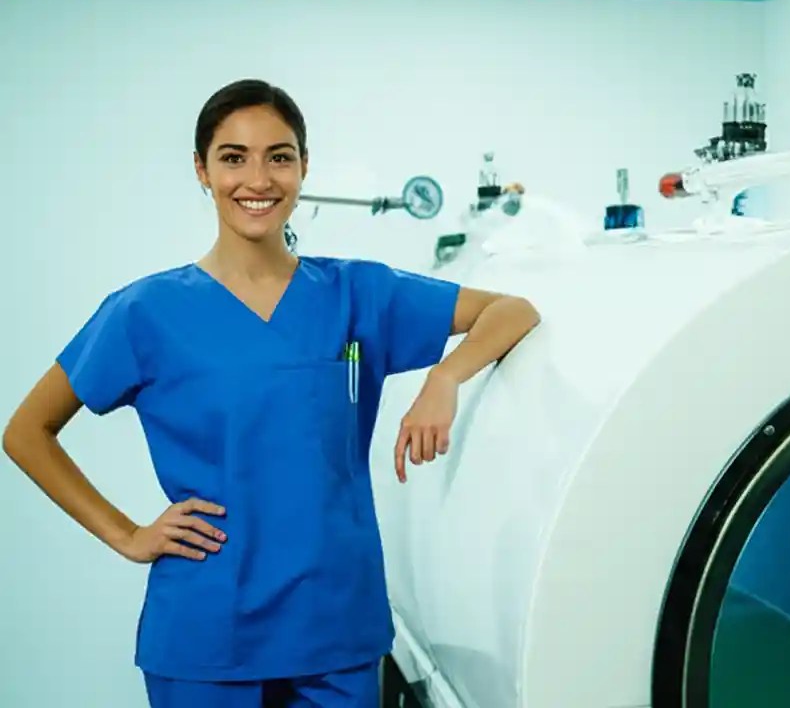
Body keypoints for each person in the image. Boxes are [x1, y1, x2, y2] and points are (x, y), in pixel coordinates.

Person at [1, 78, 541, 707]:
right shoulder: (145, 312)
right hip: (207, 634)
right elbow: (25, 432)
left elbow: (511, 310)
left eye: (278, 156)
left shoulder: (356, 293)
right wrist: (126, 535)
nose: (257, 179)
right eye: (233, 158)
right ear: (202, 171)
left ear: (304, 167)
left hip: (336, 626)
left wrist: (444, 376)